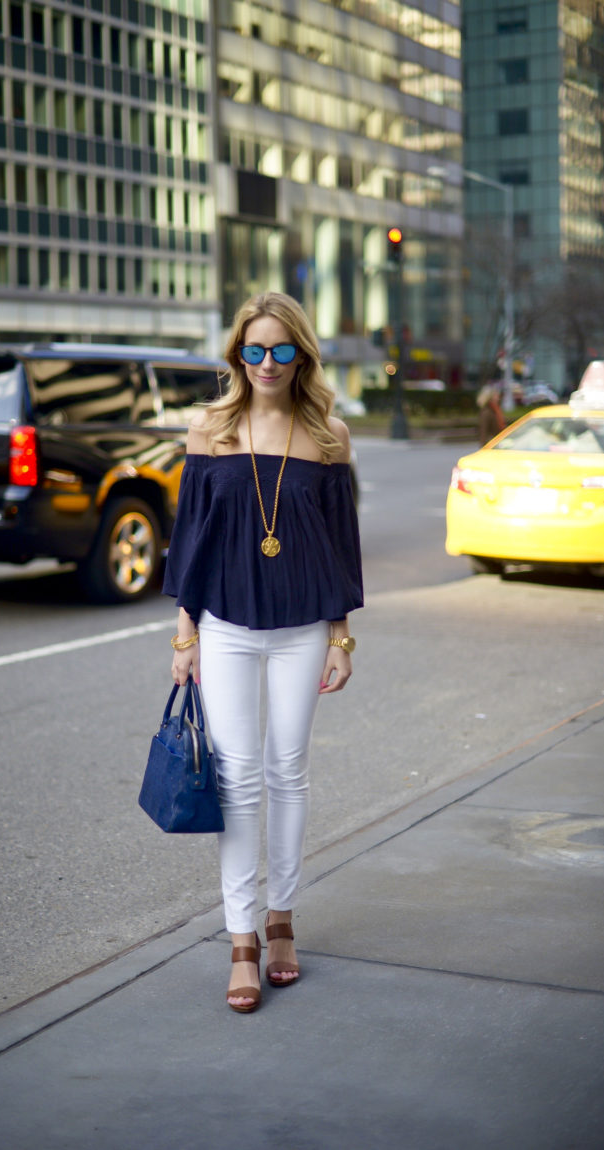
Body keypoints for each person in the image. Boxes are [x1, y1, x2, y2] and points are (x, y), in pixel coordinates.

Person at [163, 291, 364, 1013]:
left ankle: (282, 919)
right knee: (239, 778)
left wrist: (341, 635)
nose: (268, 362)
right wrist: (184, 634)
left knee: (288, 772)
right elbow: (190, 540)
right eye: (255, 349)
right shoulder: (209, 432)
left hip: (303, 627)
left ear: (302, 354)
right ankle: (241, 938)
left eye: (282, 349)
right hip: (224, 626)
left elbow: (341, 546)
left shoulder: (328, 435)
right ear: (237, 355)